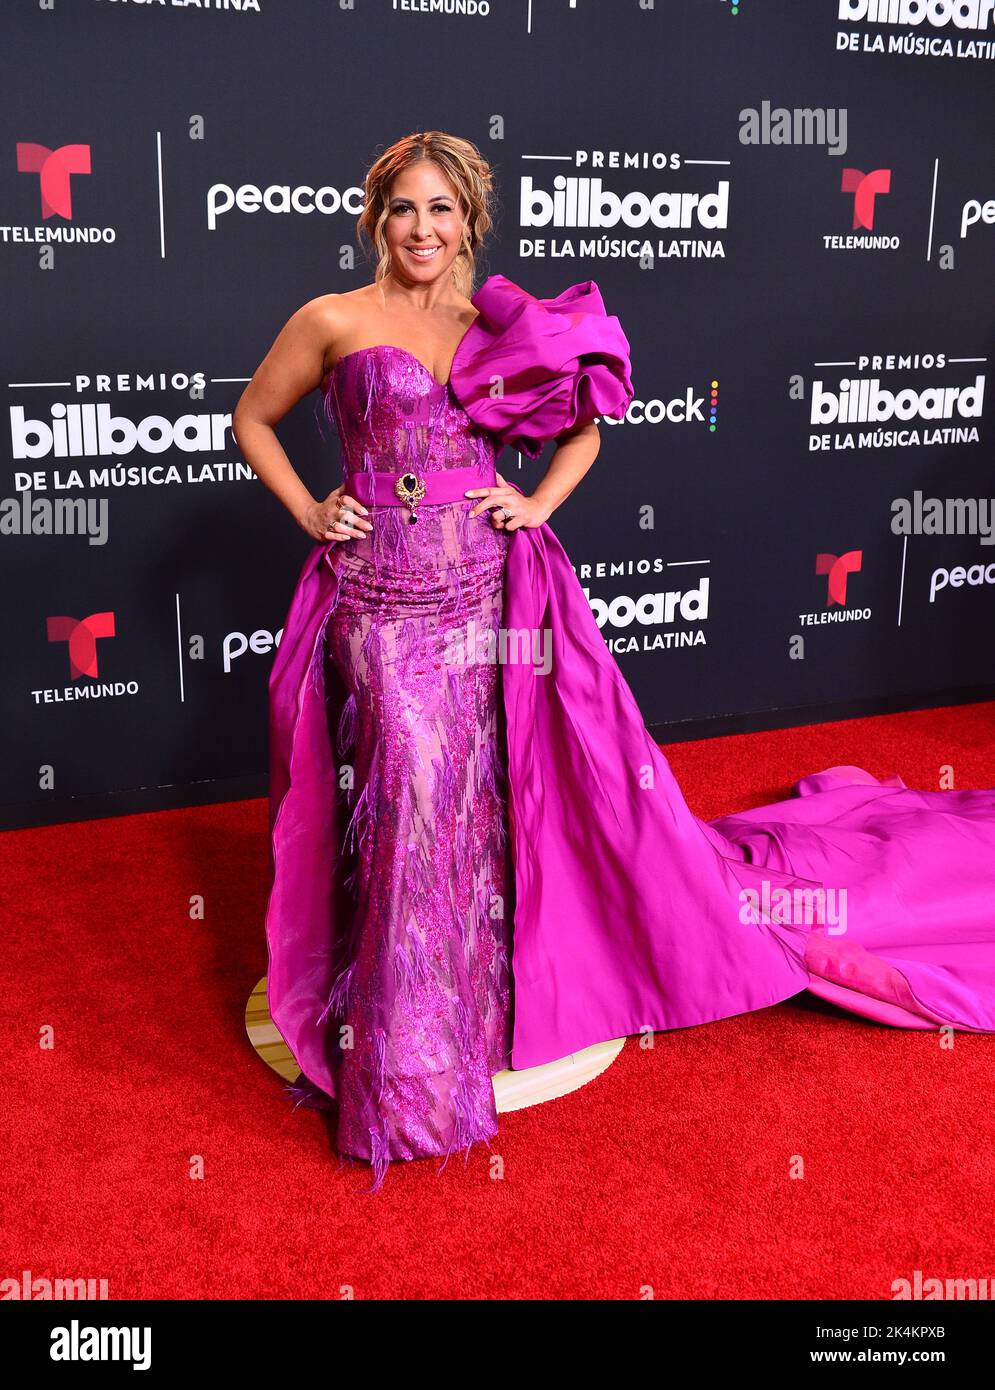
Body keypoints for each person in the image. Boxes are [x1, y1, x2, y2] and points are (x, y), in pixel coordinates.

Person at [234, 131, 995, 1193]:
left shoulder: (502, 326)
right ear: (374, 218)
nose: (421, 229)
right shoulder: (331, 319)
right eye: (403, 209)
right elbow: (251, 418)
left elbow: (587, 425)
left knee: (470, 799)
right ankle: (402, 1067)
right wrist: (312, 505)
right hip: (375, 595)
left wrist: (533, 504)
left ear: (470, 222)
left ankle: (481, 993)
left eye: (441, 210)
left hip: (484, 592)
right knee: (403, 788)